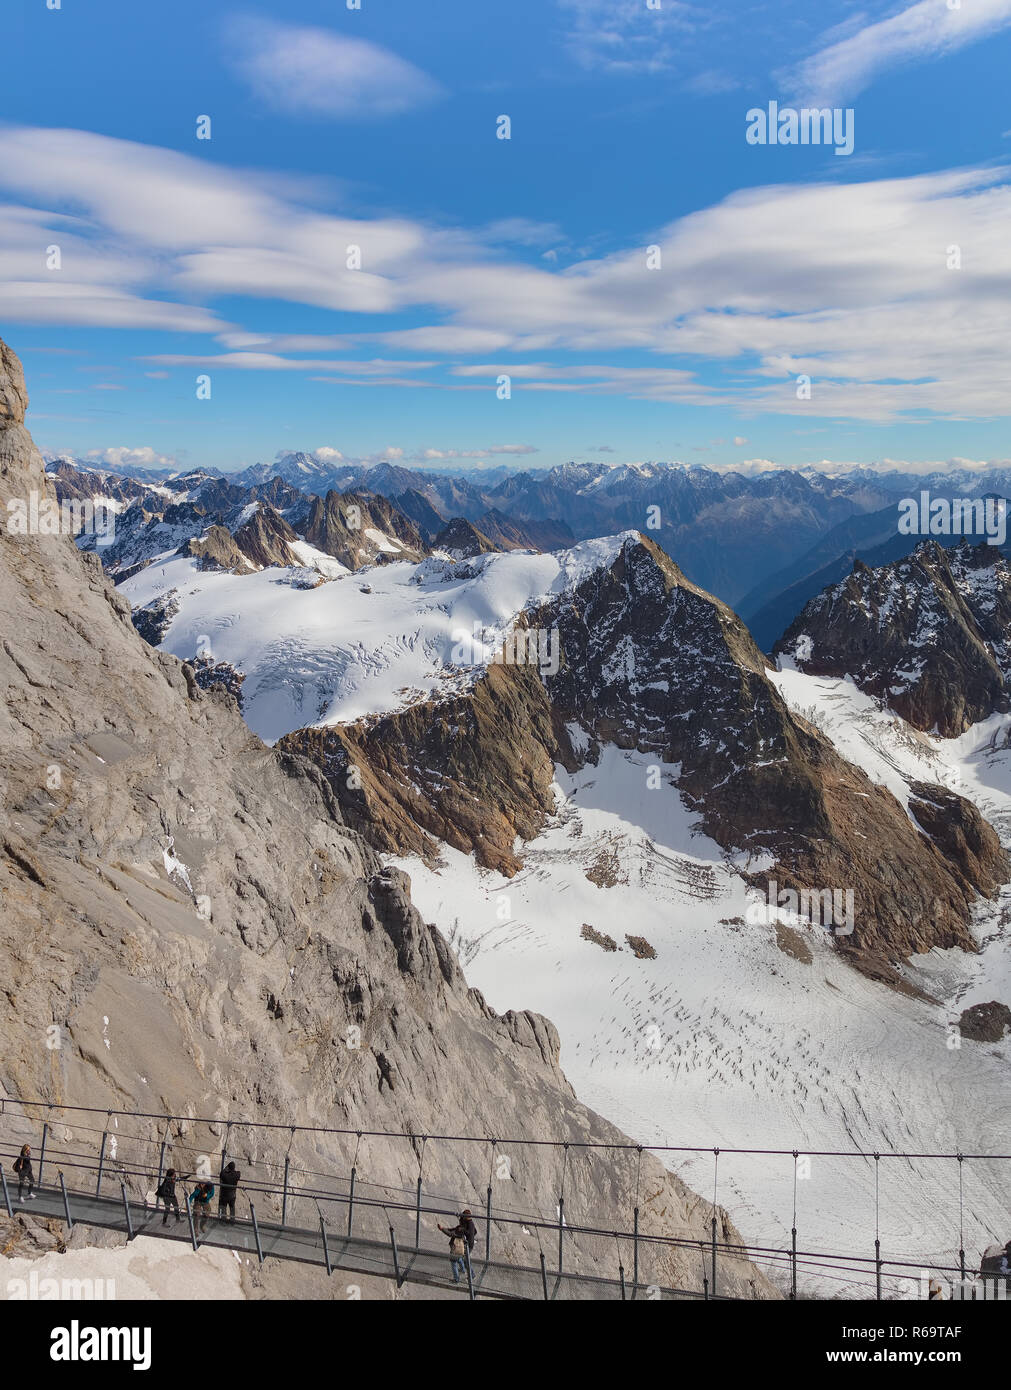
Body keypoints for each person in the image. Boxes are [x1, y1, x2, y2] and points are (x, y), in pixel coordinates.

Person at [437, 1209, 477, 1284]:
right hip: (466, 1244)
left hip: (468, 1245)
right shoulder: (464, 1225)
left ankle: (464, 1277)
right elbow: (475, 1231)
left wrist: (464, 1233)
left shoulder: (469, 1224)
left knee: (462, 1261)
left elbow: (452, 1233)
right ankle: (468, 1273)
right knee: (463, 1260)